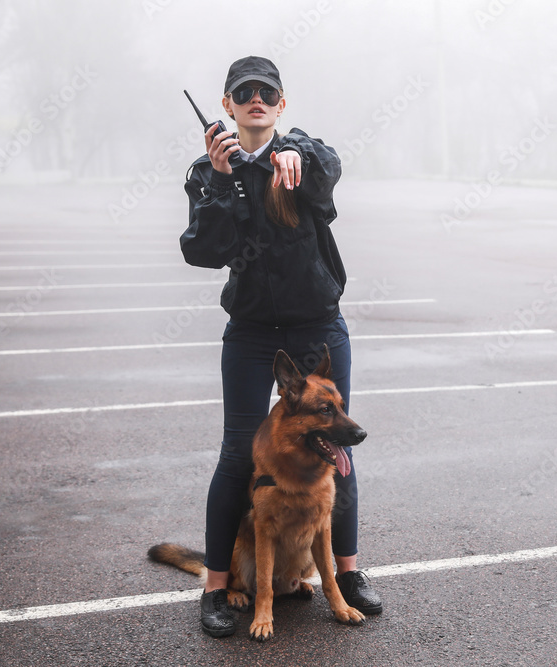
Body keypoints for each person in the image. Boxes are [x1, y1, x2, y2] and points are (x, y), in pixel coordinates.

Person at [180, 55, 382, 638]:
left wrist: (295, 149)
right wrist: (221, 183)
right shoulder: (207, 170)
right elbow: (203, 250)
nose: (255, 99)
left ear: (281, 102)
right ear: (226, 106)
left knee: (337, 454)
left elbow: (328, 168)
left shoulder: (303, 156)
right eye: (243, 92)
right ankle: (217, 587)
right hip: (250, 332)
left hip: (317, 324)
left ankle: (347, 574)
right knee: (236, 455)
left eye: (266, 91)